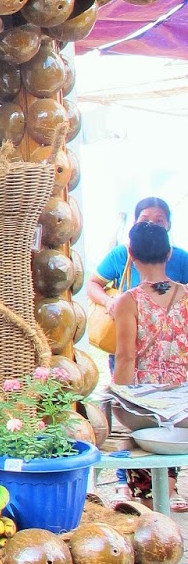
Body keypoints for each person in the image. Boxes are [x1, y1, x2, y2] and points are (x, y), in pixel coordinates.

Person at [111, 221, 188, 509]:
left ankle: (149, 502)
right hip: (182, 403)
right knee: (168, 431)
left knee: (129, 427)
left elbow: (126, 358)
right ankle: (164, 496)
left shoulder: (128, 302)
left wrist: (119, 397)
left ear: (131, 254)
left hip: (147, 403)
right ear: (169, 253)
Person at [88, 197, 188, 313]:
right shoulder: (120, 254)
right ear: (134, 223)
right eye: (144, 221)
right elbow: (92, 283)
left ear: (168, 225)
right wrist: (107, 302)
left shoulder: (181, 258)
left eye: (159, 221)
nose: (151, 225)